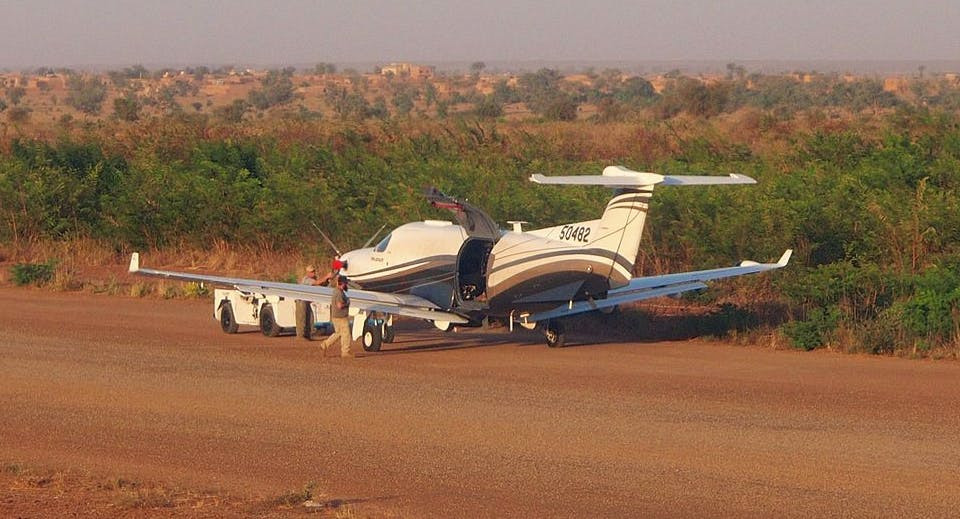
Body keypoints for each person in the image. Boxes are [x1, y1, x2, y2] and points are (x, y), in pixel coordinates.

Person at [321, 275, 355, 358]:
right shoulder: (339, 293)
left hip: (335, 316)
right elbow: (339, 305)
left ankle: (325, 344)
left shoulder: (335, 291)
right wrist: (347, 303)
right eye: (345, 283)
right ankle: (345, 352)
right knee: (346, 334)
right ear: (343, 283)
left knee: (338, 333)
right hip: (341, 317)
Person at [296, 265, 321, 341]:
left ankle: (308, 335)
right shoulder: (307, 279)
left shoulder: (312, 279)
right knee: (301, 318)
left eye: (314, 271)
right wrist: (326, 277)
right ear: (308, 273)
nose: (314, 273)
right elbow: (317, 283)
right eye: (312, 271)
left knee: (310, 317)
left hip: (306, 300)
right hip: (301, 300)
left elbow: (319, 284)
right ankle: (300, 336)